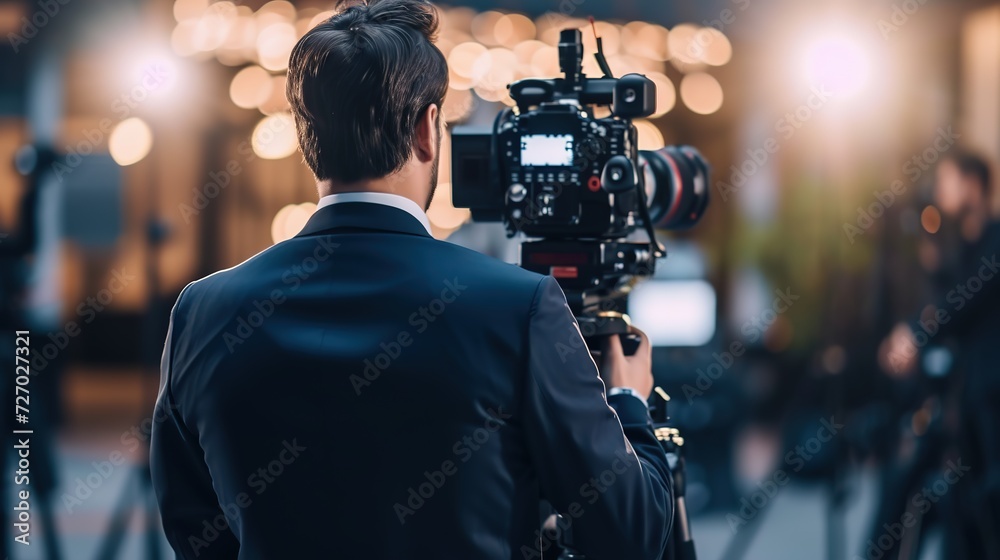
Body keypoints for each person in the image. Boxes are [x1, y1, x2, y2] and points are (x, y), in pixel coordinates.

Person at [149, 1, 673, 558]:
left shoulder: (203, 312)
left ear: (307, 139)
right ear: (428, 129)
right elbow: (629, 533)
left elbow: (193, 530)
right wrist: (628, 404)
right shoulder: (517, 307)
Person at [880, 150, 1000, 558]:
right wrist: (908, 332)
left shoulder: (994, 241)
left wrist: (913, 336)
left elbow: (960, 305)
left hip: (990, 397)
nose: (940, 190)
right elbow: (940, 303)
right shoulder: (957, 245)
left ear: (973, 185)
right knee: (952, 503)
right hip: (962, 397)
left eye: (948, 180)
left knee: (986, 499)